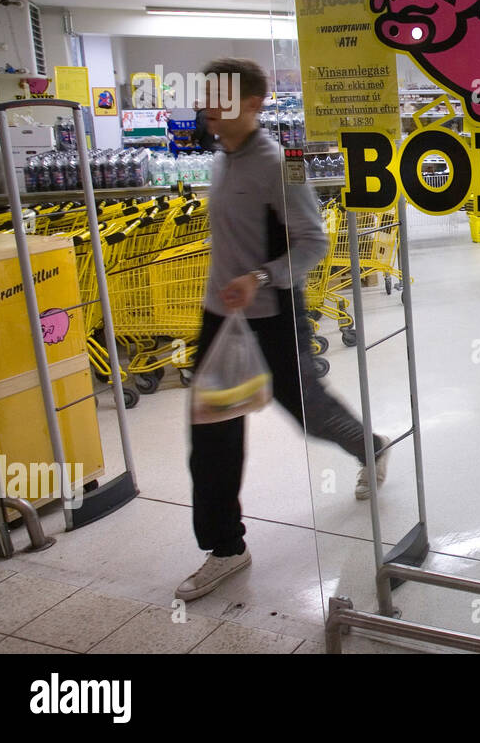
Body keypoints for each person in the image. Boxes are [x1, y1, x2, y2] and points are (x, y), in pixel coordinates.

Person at [176, 58, 391, 602]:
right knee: (212, 434)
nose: (206, 109)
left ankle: (369, 445)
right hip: (220, 316)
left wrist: (260, 276)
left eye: (217, 100)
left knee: (307, 409)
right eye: (204, 98)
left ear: (252, 104)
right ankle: (226, 548)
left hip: (272, 312)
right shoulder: (221, 159)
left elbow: (314, 240)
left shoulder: (284, 162)